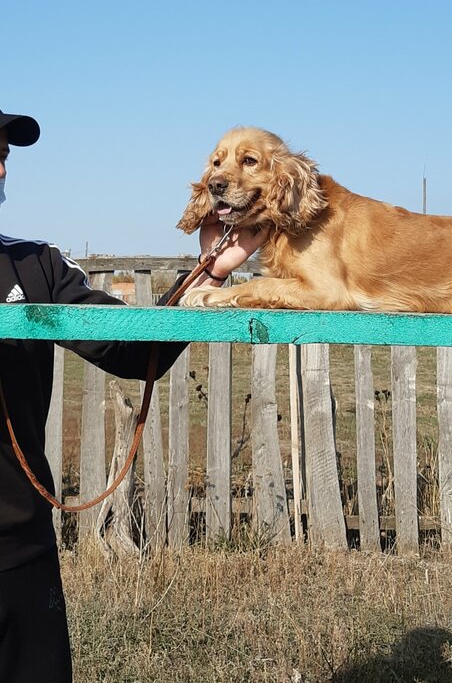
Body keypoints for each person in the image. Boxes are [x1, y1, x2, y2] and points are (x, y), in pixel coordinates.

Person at [0, 107, 263, 683]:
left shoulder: (35, 264)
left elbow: (129, 349)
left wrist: (210, 274)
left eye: (1, 157)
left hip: (19, 550)